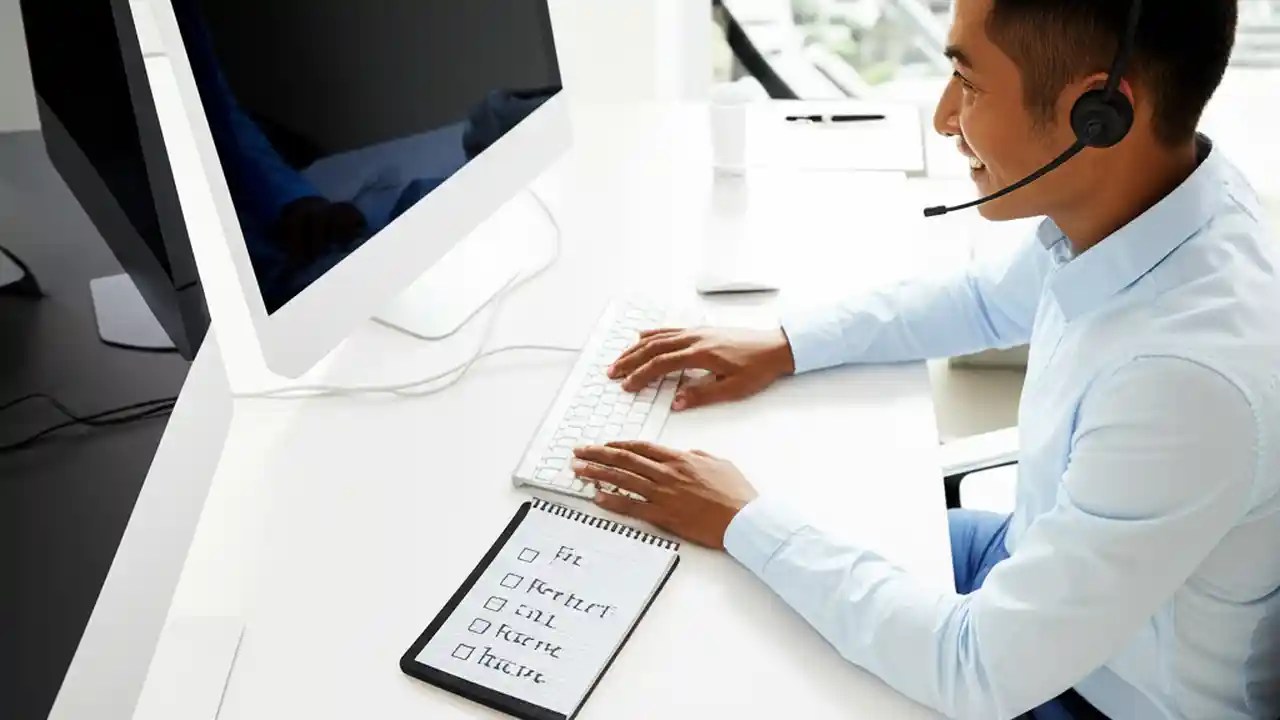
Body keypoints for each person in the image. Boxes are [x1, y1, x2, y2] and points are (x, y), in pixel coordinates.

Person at [571, 1, 1280, 718]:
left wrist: (738, 517)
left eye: (968, 85)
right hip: (1025, 569)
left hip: (1086, 695)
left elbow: (977, 671)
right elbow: (981, 300)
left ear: (1098, 112)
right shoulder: (1173, 203)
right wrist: (787, 343)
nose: (944, 117)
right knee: (740, 575)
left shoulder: (1185, 382)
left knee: (739, 634)